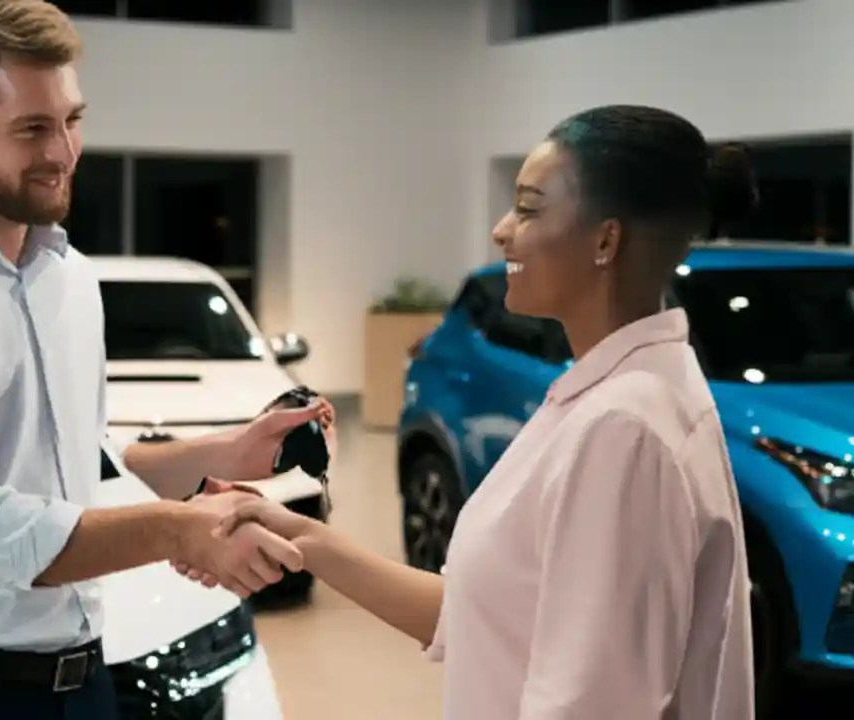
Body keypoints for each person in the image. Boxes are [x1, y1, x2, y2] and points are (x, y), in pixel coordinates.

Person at [0, 1, 332, 718]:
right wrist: (179, 531)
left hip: (84, 686)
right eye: (32, 128)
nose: (62, 151)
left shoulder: (68, 275)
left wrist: (225, 452)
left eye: (72, 120)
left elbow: (76, 465)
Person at [197, 105, 758, 719]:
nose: (501, 230)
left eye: (528, 208)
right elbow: (484, 619)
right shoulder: (621, 391)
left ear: (605, 240)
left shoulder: (625, 429)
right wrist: (305, 537)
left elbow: (590, 704)